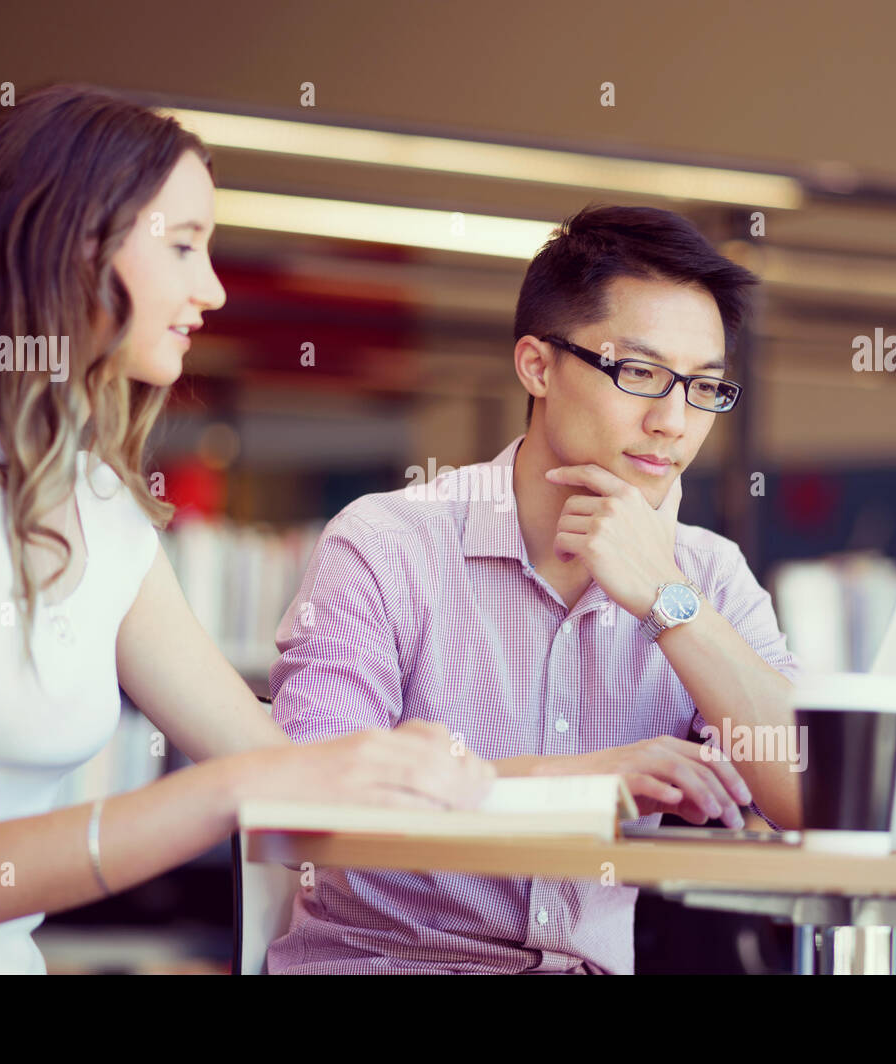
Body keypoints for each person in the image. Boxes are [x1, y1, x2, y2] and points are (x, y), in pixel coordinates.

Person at [0, 83, 492, 975]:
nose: (209, 289)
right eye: (181, 247)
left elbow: (270, 757)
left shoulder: (97, 499)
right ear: (75, 249)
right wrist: (238, 792)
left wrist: (586, 780)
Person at [265, 204, 804, 974]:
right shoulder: (385, 544)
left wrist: (668, 599)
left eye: (704, 387)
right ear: (537, 366)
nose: (673, 422)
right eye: (640, 373)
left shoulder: (706, 574)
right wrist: (578, 782)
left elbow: (817, 796)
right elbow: (305, 807)